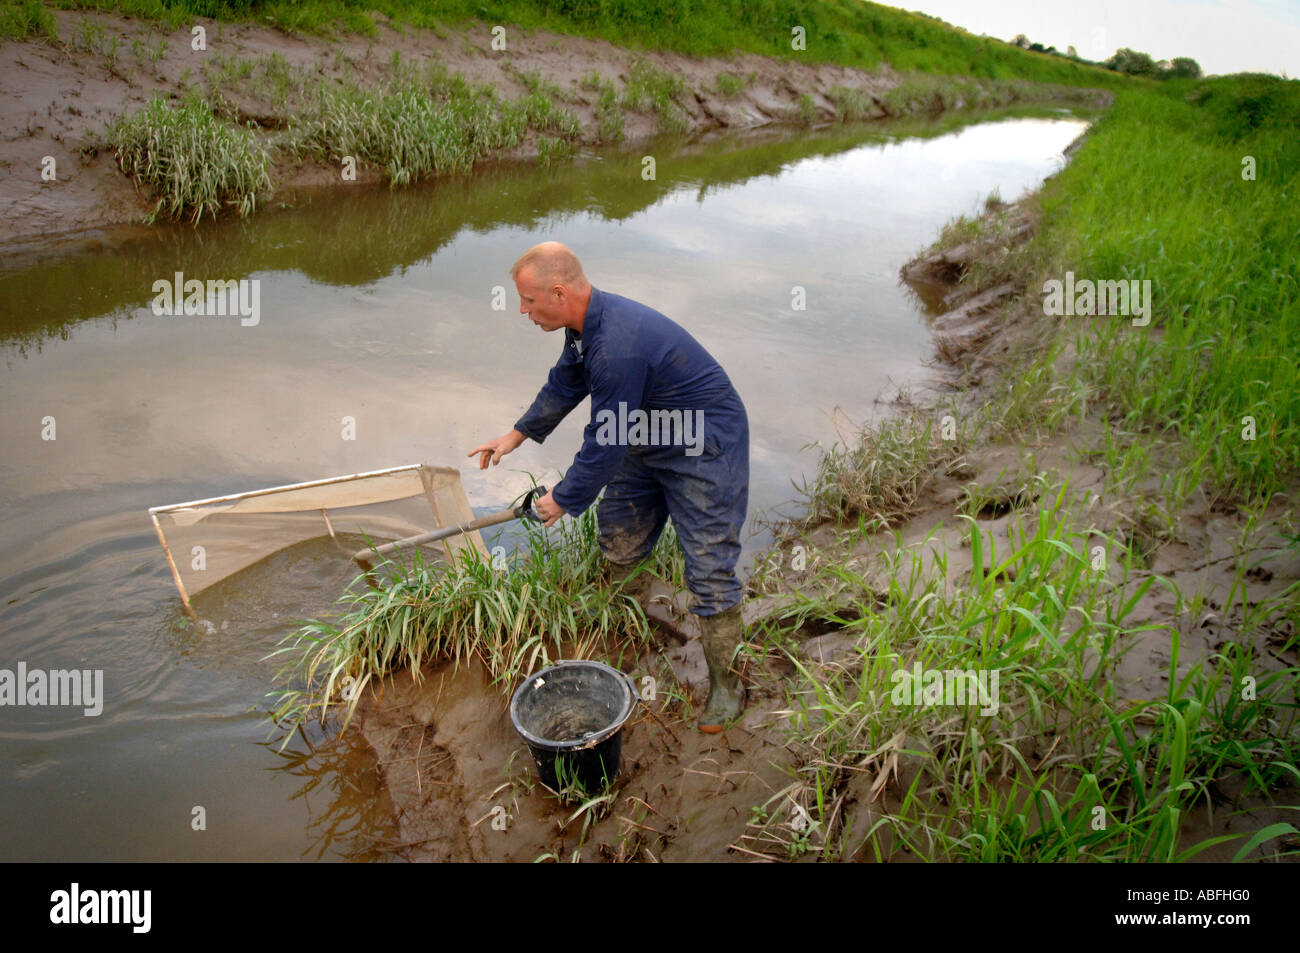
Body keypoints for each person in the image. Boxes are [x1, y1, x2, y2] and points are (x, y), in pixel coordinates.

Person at [469, 241, 750, 732]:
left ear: (558, 293)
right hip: (647, 435)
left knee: (708, 565)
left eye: (529, 301)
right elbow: (565, 383)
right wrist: (518, 434)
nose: (522, 311)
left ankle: (727, 686)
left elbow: (608, 436)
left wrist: (564, 497)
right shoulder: (583, 328)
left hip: (703, 446)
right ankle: (631, 629)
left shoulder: (618, 343)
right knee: (619, 539)